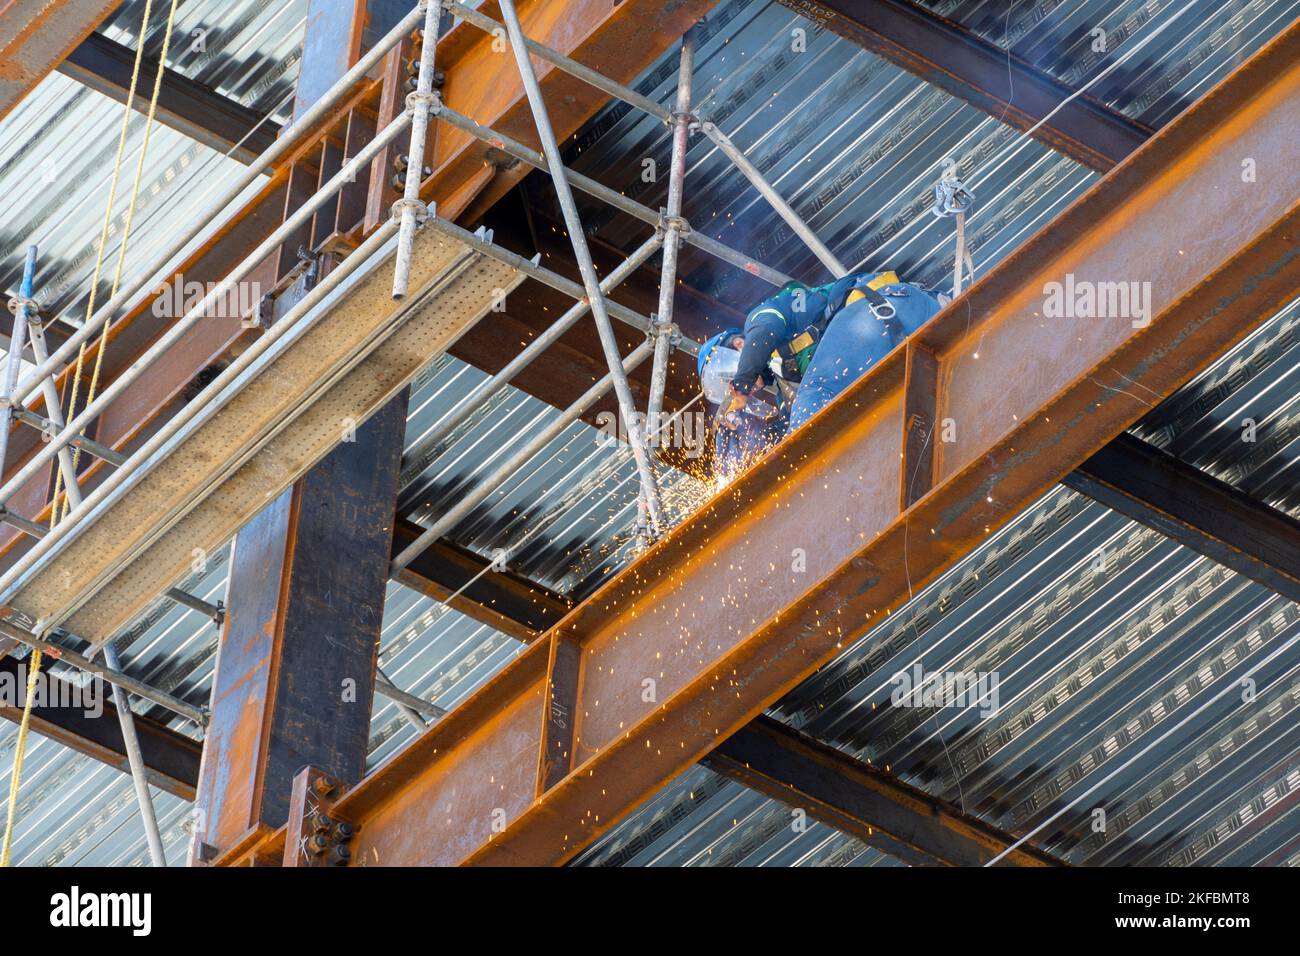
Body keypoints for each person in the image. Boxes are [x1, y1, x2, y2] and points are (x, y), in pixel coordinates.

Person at [697, 271, 941, 475]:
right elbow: (791, 434)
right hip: (917, 332)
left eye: (727, 380)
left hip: (887, 307)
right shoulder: (788, 388)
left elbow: (763, 334)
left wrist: (741, 386)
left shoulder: (761, 318)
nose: (732, 389)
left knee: (812, 404)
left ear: (738, 344)